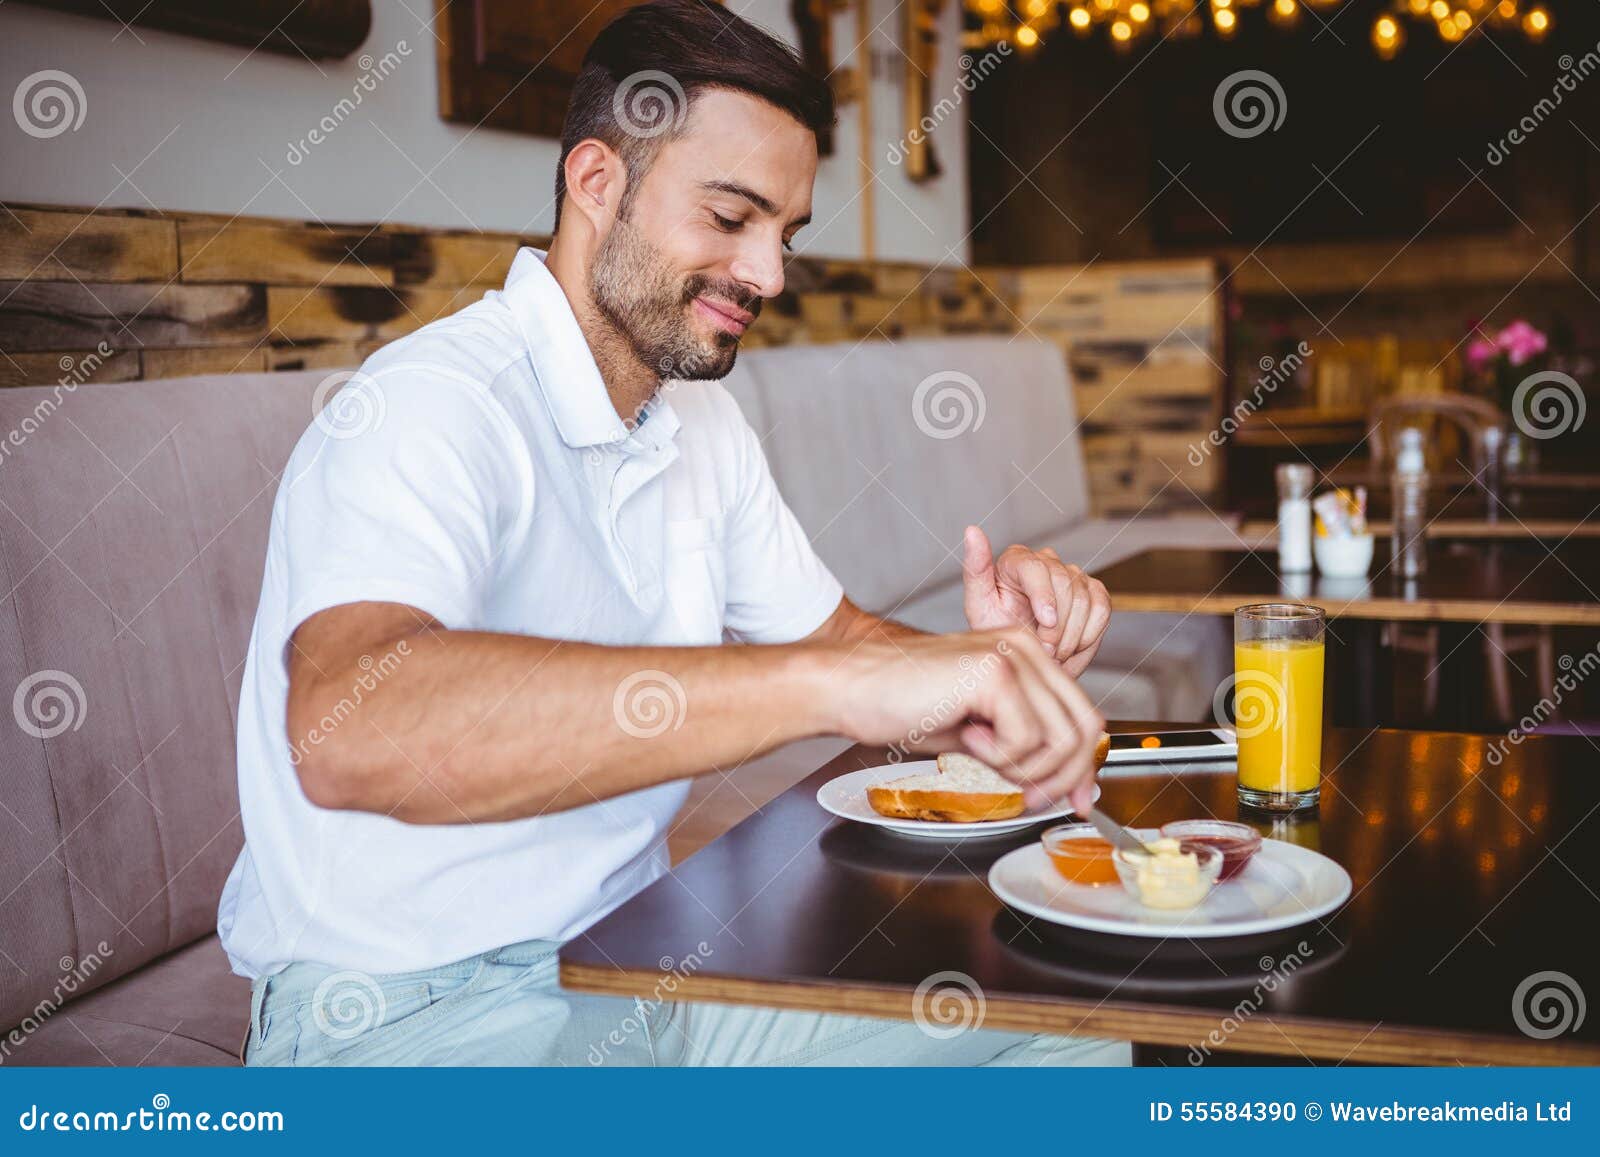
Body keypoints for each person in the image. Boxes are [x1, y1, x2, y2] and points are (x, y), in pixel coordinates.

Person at [222, 0, 1123, 1067]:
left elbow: (838, 645)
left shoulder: (695, 416)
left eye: (782, 234)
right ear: (597, 181)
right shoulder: (426, 404)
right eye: (730, 217)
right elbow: (345, 731)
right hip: (408, 1016)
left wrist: (975, 665)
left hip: (637, 969)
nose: (769, 275)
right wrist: (823, 689)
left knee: (1065, 1028)